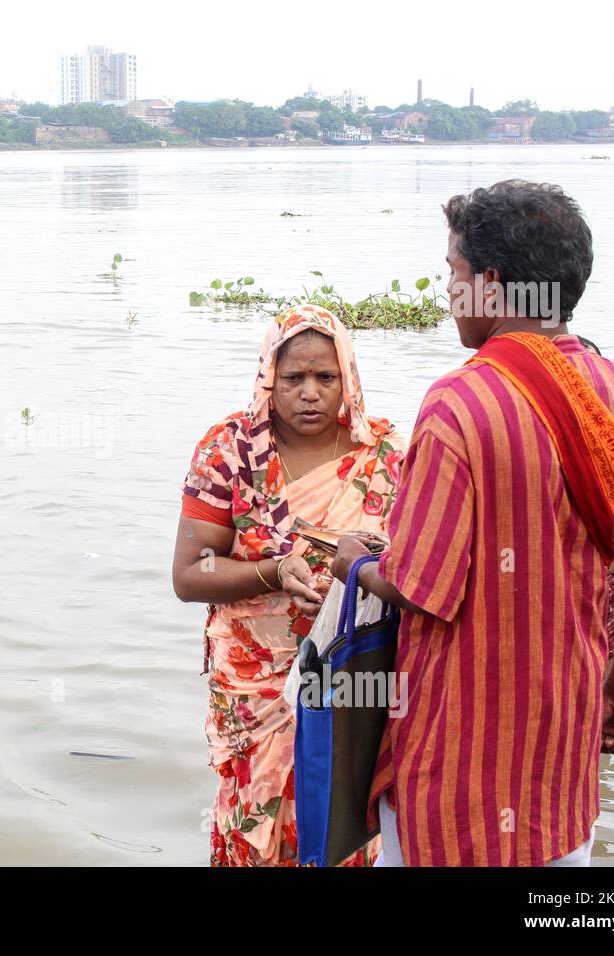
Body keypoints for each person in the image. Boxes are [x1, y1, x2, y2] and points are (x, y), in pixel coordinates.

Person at [331, 180, 614, 867]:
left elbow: (417, 583)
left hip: (453, 772)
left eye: (453, 275)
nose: (448, 293)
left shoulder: (461, 402)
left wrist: (354, 562)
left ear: (489, 285)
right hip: (562, 770)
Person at [172, 303, 406, 866]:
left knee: (344, 821)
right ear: (267, 379)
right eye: (293, 377)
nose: (310, 393)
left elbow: (412, 574)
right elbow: (188, 574)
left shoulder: (386, 457)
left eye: (325, 378)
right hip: (255, 686)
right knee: (255, 819)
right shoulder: (229, 452)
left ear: (346, 377)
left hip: (353, 679)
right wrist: (274, 572)